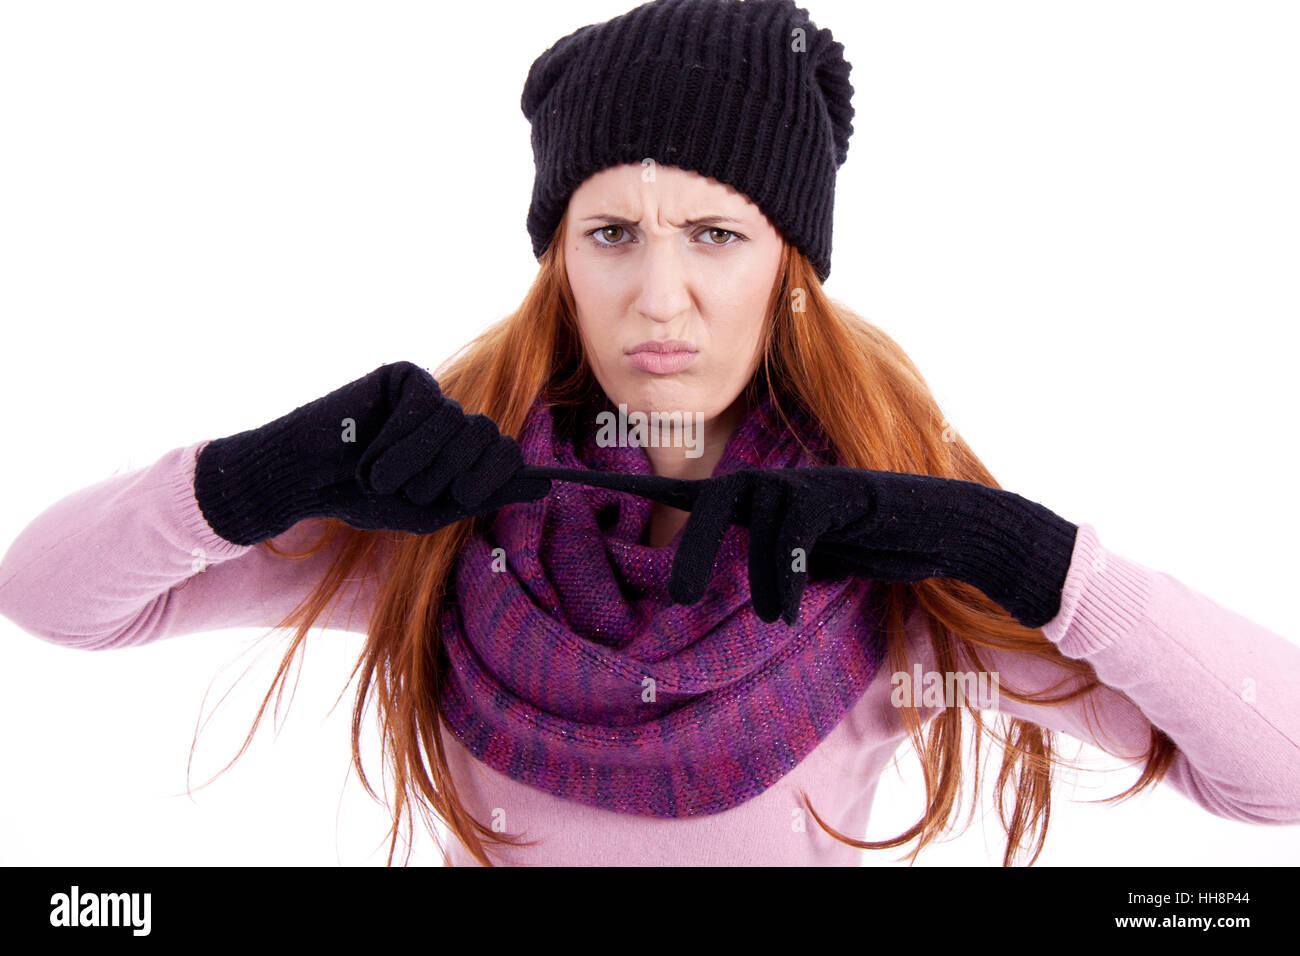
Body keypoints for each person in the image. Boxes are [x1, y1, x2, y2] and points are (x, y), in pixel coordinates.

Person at [2, 0, 1299, 867]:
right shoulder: (450, 527)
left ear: (789, 270)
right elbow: (50, 599)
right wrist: (258, 471)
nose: (658, 296)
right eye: (610, 233)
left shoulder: (877, 593)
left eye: (717, 236)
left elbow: (1275, 775)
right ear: (559, 258)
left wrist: (1006, 546)